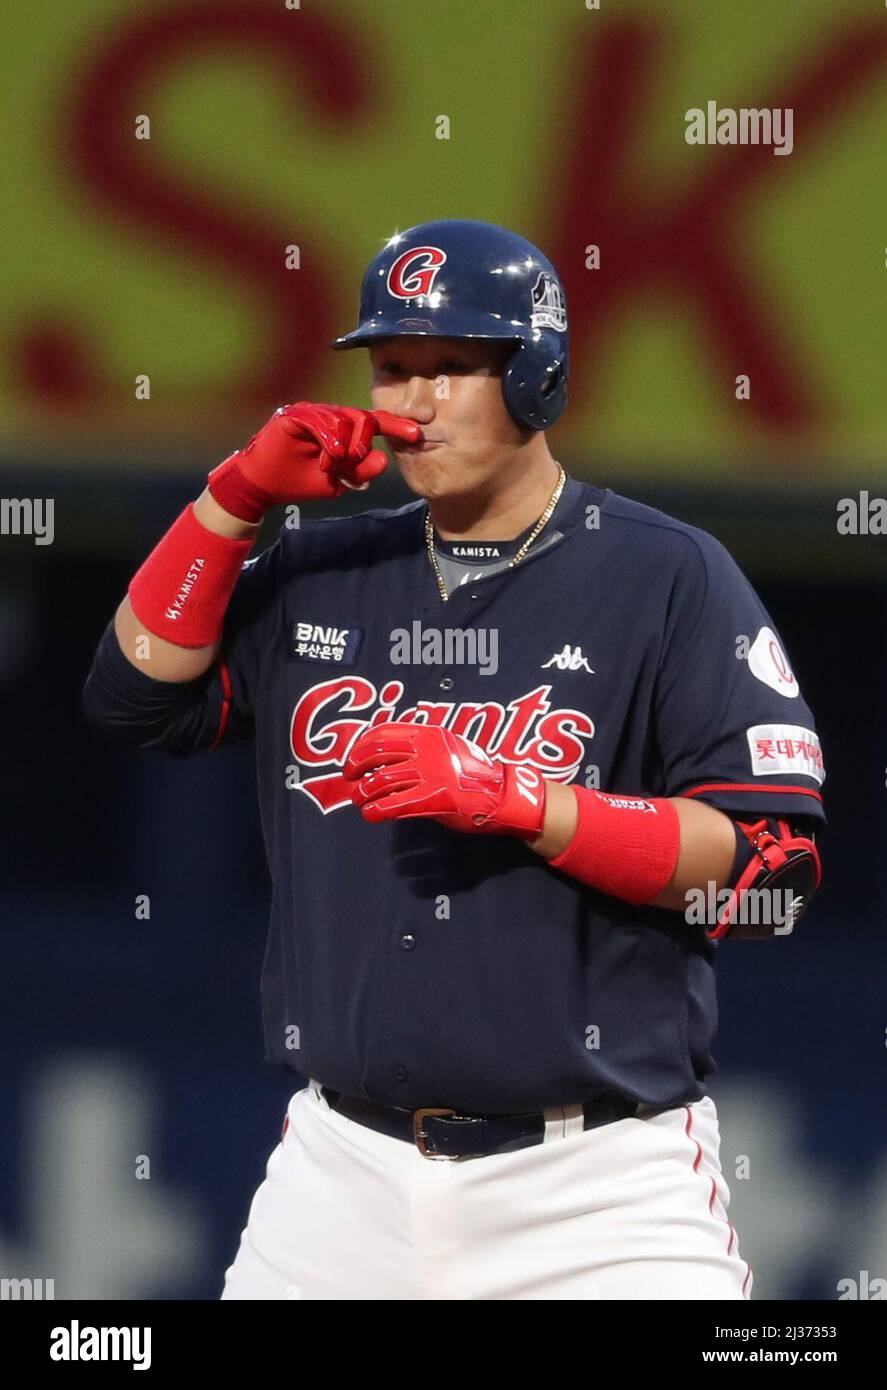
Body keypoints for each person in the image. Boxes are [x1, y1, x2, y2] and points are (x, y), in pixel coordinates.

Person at [83, 218, 825, 1300]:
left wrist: (533, 804)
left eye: (453, 366)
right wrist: (231, 502)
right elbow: (131, 695)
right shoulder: (324, 569)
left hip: (596, 1186)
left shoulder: (666, 574)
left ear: (534, 377)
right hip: (338, 1178)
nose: (412, 402)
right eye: (392, 369)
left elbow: (770, 864)